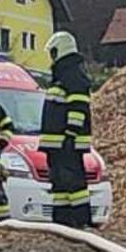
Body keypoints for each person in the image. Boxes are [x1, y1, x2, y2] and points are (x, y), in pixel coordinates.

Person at [39, 30, 95, 229]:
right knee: (60, 183)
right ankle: (62, 221)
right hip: (57, 143)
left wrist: (70, 134)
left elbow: (78, 107)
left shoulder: (73, 76)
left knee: (74, 182)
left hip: (66, 141)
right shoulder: (63, 75)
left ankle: (81, 220)